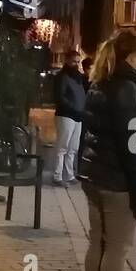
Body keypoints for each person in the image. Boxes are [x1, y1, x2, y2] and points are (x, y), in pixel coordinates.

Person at [79, 29, 136, 271]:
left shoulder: (103, 82)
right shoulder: (126, 88)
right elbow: (130, 145)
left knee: (98, 243)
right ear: (132, 56)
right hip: (116, 179)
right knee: (117, 248)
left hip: (95, 174)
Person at [51, 53, 87, 186]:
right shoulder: (62, 77)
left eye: (78, 62)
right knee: (62, 147)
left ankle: (70, 175)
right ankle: (57, 176)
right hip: (66, 115)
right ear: (67, 61)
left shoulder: (78, 78)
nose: (76, 65)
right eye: (74, 62)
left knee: (73, 148)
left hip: (77, 116)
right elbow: (60, 97)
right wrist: (74, 108)